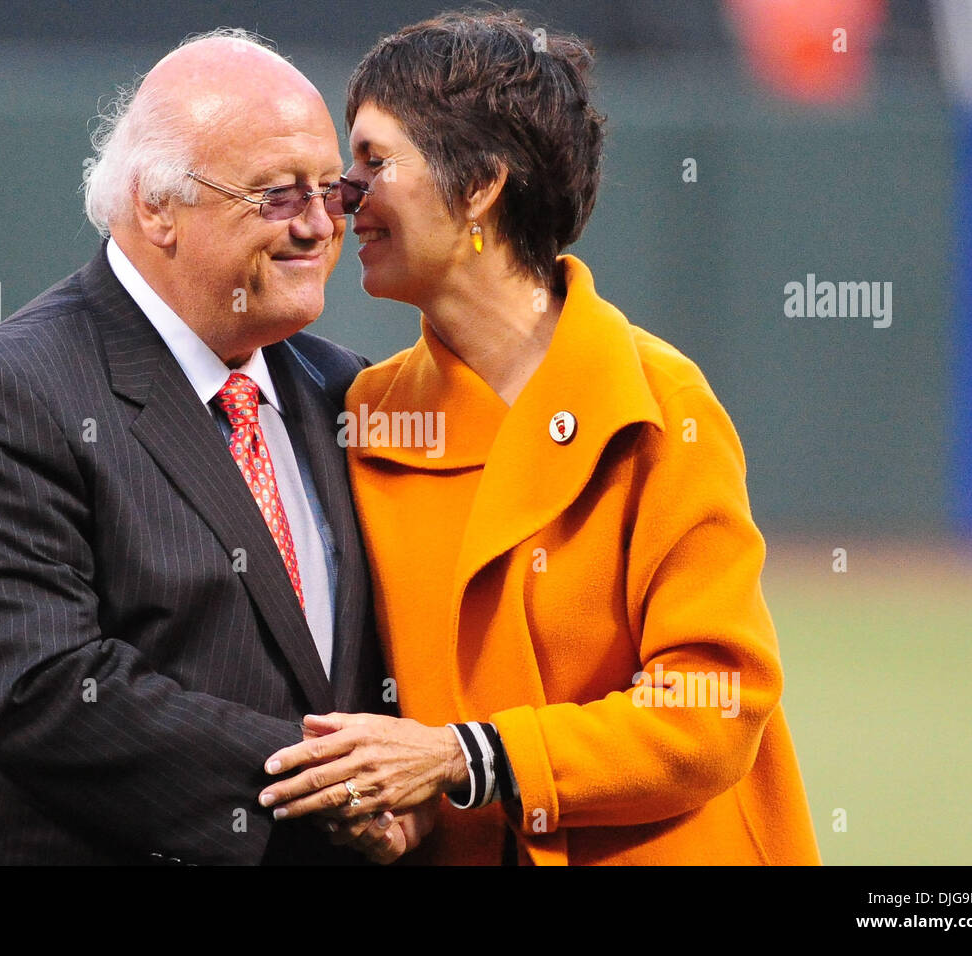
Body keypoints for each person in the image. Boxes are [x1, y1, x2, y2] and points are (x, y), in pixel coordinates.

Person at [0, 29, 406, 866]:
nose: (316, 227)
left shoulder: (343, 393)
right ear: (156, 207)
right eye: (275, 196)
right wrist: (336, 789)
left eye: (328, 193)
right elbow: (44, 697)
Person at [257, 11, 822, 866]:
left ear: (481, 182)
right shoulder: (362, 416)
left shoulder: (660, 404)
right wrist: (398, 816)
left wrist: (469, 757)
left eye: (373, 162)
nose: (343, 196)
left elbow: (713, 709)